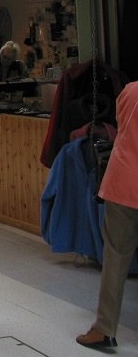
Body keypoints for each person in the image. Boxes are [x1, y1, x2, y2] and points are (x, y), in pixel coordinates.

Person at [75, 81, 138, 350]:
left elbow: (122, 125)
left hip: (124, 180)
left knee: (116, 257)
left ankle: (104, 329)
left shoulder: (131, 90)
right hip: (124, 180)